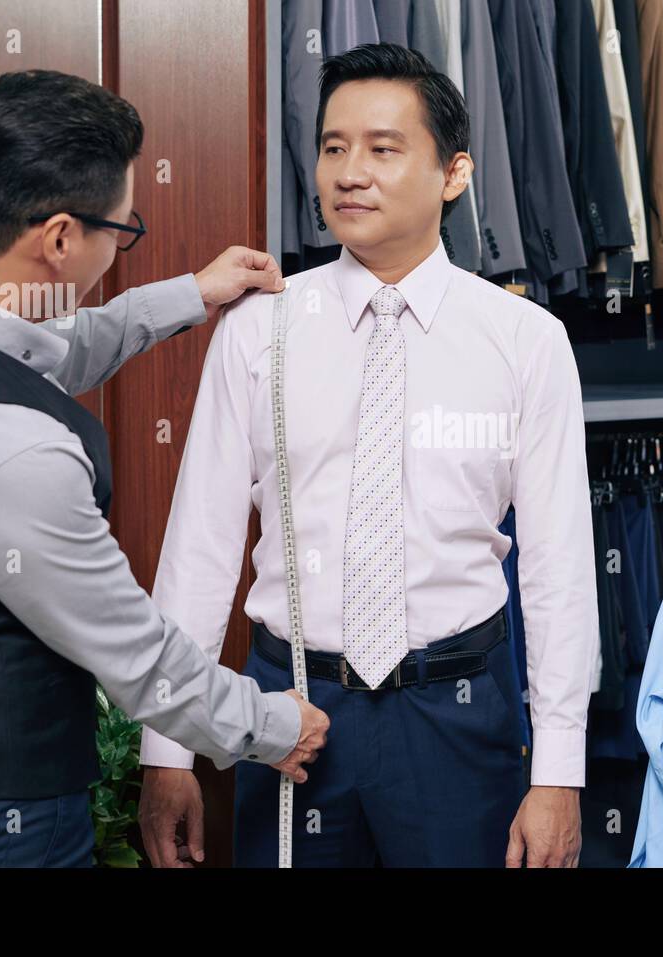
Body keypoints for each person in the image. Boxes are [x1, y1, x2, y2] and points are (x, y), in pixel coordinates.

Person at [0, 69, 328, 868]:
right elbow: (135, 653)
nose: (119, 248)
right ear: (59, 237)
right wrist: (273, 725)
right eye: (121, 232)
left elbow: (40, 349)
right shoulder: (11, 456)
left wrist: (190, 294)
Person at [138, 44, 598, 868]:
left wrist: (560, 772)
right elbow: (200, 548)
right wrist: (167, 750)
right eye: (333, 147)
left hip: (457, 715)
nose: (350, 172)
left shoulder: (527, 341)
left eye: (383, 149)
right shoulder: (259, 330)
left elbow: (560, 568)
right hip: (292, 713)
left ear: (453, 174)